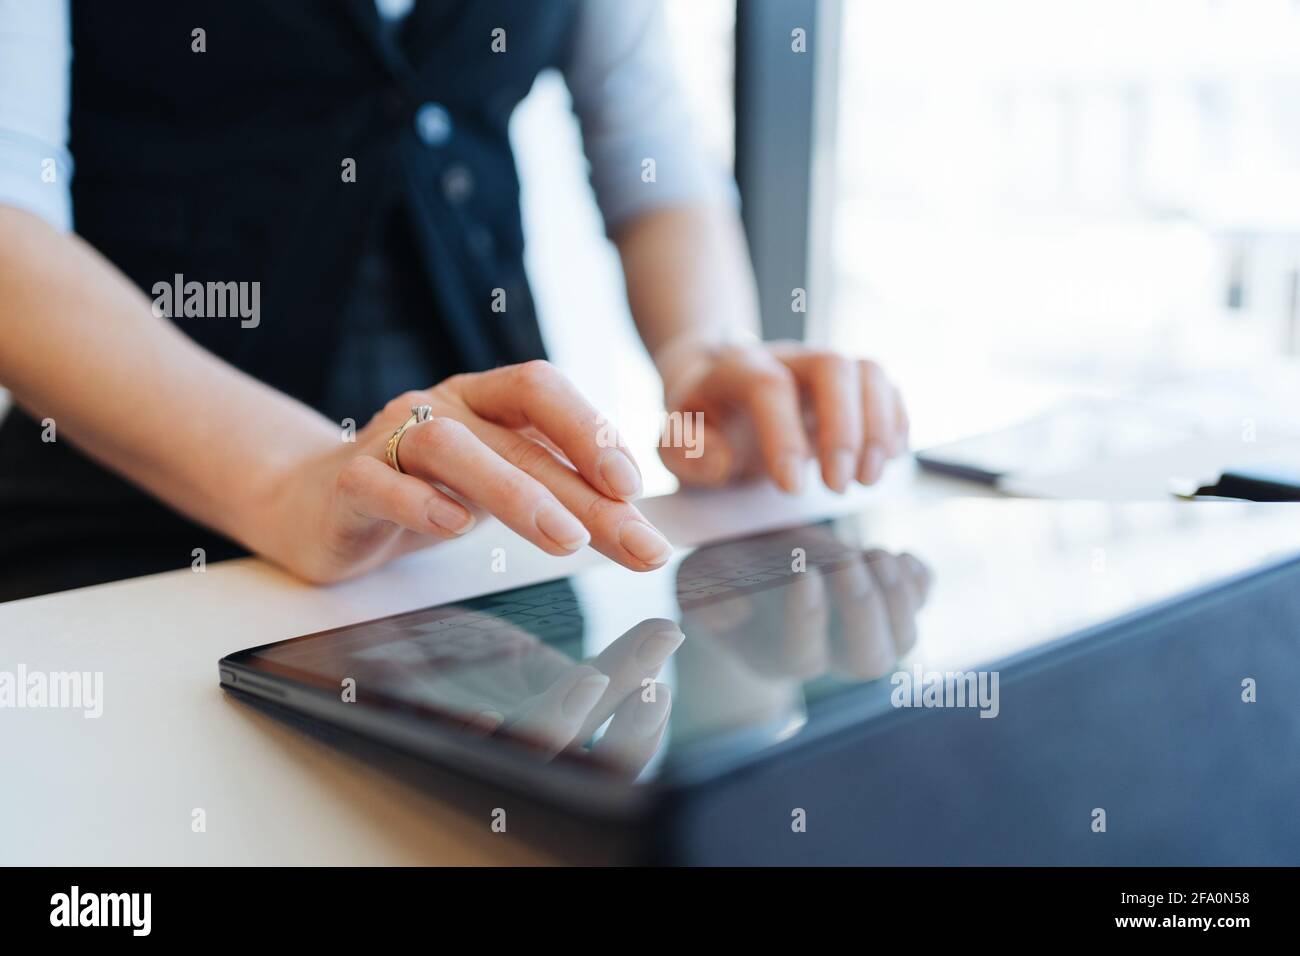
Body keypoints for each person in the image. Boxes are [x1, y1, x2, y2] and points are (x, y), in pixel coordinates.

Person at [0, 0, 908, 602]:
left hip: (493, 543)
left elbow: (655, 160)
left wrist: (705, 350)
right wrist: (290, 478)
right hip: (129, 541)